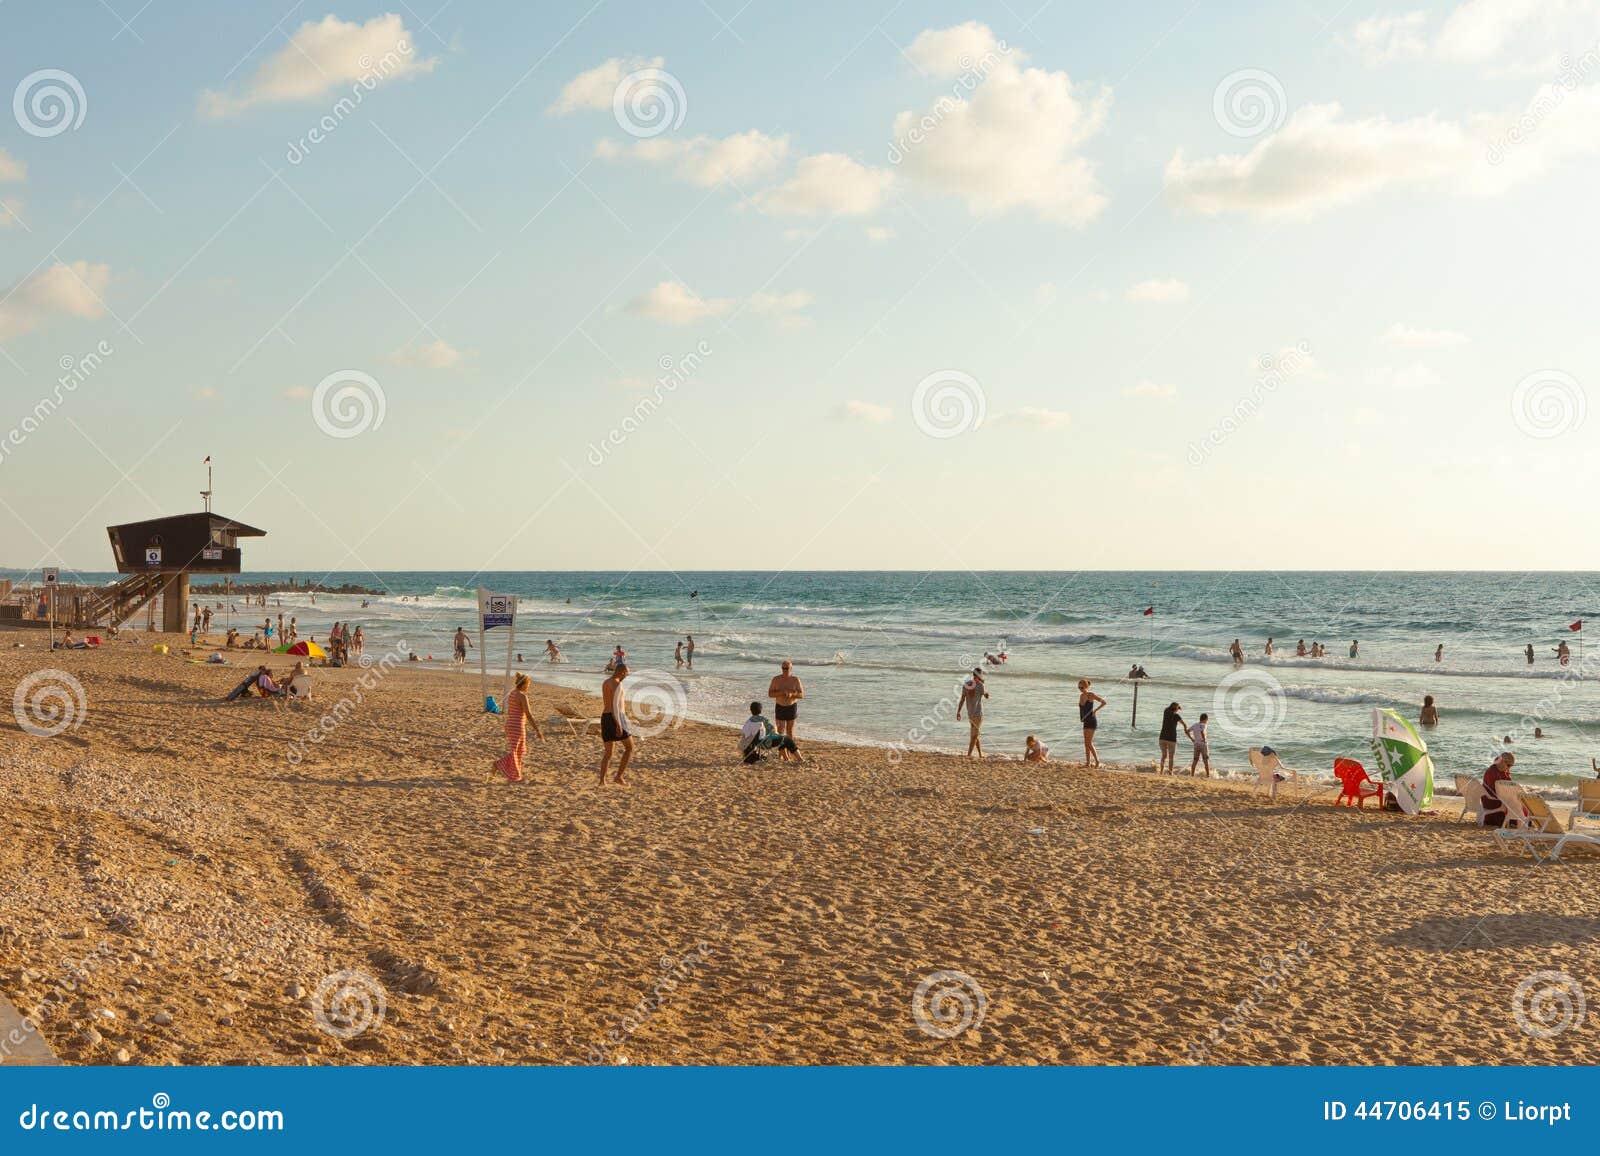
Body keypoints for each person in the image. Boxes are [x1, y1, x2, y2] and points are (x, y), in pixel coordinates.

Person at [494, 672, 543, 782]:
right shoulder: (522, 696)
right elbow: (528, 714)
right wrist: (537, 729)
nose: (529, 686)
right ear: (525, 684)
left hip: (510, 724)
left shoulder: (512, 693)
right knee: (517, 751)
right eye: (529, 683)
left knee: (519, 750)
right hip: (517, 726)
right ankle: (497, 765)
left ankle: (517, 774)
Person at [599, 662, 634, 786]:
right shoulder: (618, 684)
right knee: (630, 748)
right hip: (616, 717)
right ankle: (619, 777)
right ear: (623, 672)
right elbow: (616, 706)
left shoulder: (606, 682)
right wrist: (619, 724)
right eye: (627, 673)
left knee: (608, 753)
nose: (627, 675)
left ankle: (602, 781)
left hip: (605, 717)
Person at [768, 660, 804, 751]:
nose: (785, 670)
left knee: (790, 731)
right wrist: (781, 693)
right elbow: (770, 694)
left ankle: (791, 750)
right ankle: (782, 753)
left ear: (791, 668)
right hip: (780, 706)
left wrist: (792, 695)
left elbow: (801, 695)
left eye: (787, 668)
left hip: (791, 707)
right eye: (783, 668)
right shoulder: (776, 679)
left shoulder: (795, 680)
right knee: (780, 731)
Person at [955, 668, 989, 758]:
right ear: (980, 675)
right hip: (978, 714)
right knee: (974, 736)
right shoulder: (981, 685)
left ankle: (980, 754)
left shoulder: (966, 684)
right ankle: (969, 755)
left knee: (974, 735)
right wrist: (986, 694)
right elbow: (986, 696)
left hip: (970, 714)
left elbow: (962, 699)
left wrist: (958, 711)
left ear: (973, 674)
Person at [1481, 752, 1516, 828]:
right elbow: (1497, 791)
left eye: (1511, 766)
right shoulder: (1492, 772)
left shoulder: (1499, 770)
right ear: (1502, 761)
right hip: (1493, 800)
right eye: (1509, 765)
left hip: (1494, 799)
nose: (1509, 768)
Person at [1078, 679, 1105, 767]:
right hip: (1085, 721)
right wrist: (1081, 718)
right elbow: (1081, 709)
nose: (1080, 689)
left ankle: (1097, 761)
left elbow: (1104, 702)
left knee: (1089, 742)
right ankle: (1088, 762)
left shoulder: (1091, 695)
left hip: (1092, 720)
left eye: (1082, 687)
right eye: (1079, 687)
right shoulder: (1081, 696)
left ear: (1086, 687)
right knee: (1086, 743)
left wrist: (1096, 710)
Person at [1158, 701, 1188, 774]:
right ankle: (1170, 772)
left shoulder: (1165, 712)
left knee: (1164, 756)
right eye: (1178, 708)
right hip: (1172, 739)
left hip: (1162, 737)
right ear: (1176, 709)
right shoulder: (1177, 716)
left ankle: (1161, 771)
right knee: (1171, 757)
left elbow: (1169, 708)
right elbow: (1184, 724)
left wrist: (1177, 707)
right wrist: (1185, 730)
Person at [1188, 712, 1212, 776]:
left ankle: (1192, 775)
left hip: (1196, 744)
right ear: (1205, 719)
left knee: (1195, 760)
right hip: (1202, 744)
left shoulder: (1195, 724)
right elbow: (1202, 731)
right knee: (1205, 760)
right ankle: (1208, 775)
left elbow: (1187, 731)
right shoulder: (1204, 725)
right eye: (1207, 720)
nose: (1207, 721)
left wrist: (1192, 739)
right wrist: (1204, 740)